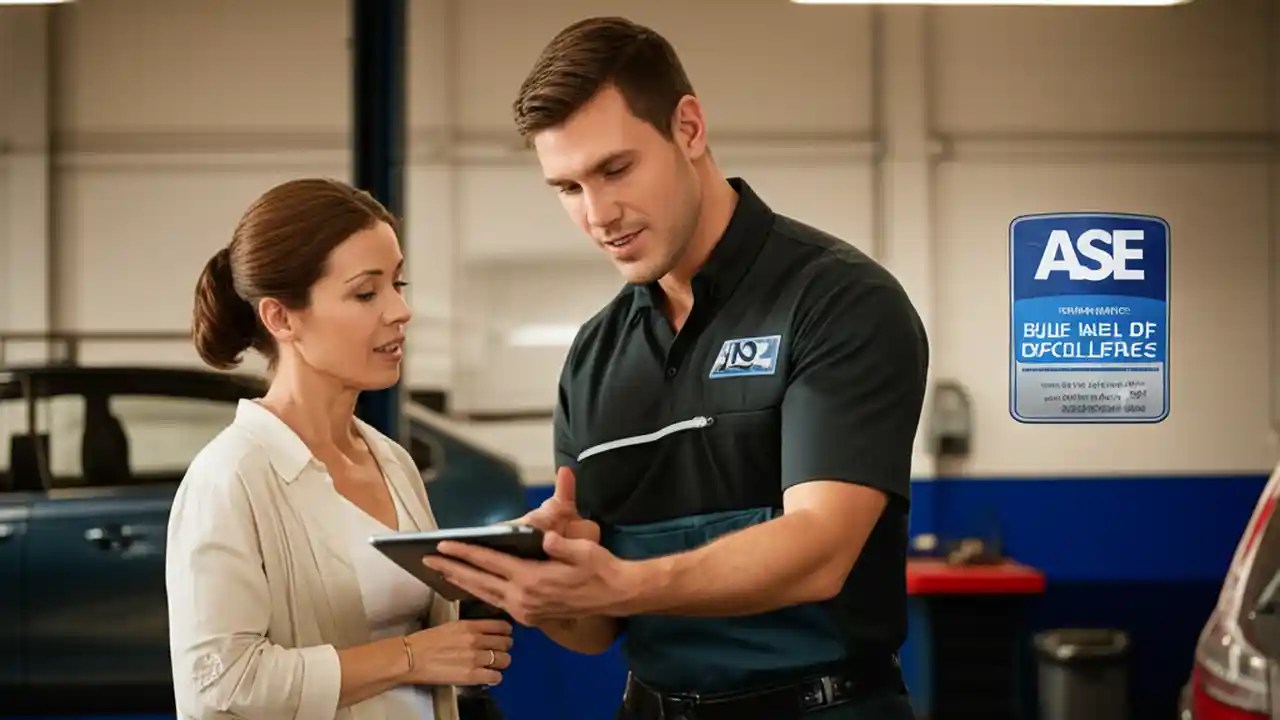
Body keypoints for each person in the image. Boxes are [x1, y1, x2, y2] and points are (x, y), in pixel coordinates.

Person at [422, 16, 929, 720]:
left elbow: (820, 549)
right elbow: (597, 632)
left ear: (688, 128)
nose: (599, 214)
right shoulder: (595, 357)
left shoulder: (837, 301)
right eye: (567, 188)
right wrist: (548, 588)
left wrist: (621, 583)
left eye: (615, 169)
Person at [166, 178, 514, 720]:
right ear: (281, 318)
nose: (401, 310)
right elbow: (222, 685)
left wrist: (513, 557)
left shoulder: (392, 461)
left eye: (399, 283)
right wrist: (409, 657)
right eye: (366, 292)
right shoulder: (231, 476)